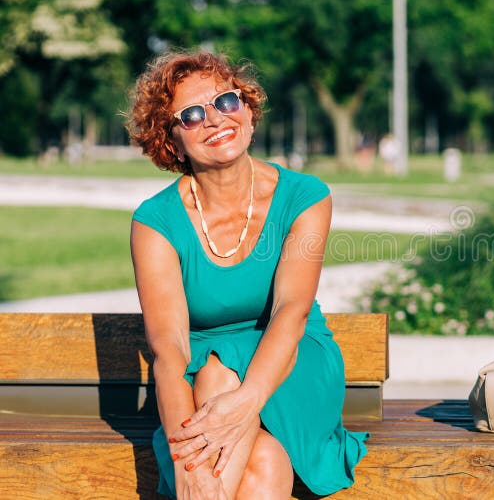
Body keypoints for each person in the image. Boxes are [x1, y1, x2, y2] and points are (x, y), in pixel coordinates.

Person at [126, 50, 368, 499]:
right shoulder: (155, 221)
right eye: (193, 115)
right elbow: (171, 349)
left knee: (220, 373)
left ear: (250, 114)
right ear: (172, 141)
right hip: (197, 387)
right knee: (263, 460)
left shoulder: (305, 196)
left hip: (292, 360)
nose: (215, 120)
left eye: (227, 102)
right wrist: (188, 461)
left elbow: (291, 312)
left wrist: (248, 401)